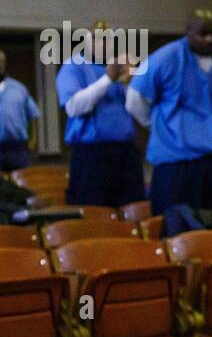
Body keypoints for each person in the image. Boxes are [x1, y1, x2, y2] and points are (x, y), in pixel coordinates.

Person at [126, 10, 212, 215]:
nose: (209, 39)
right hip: (175, 165)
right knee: (176, 228)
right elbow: (135, 100)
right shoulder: (164, 59)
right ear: (188, 32)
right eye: (202, 34)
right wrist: (159, 127)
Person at [56, 20, 146, 208]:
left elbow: (140, 112)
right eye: (97, 39)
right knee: (94, 212)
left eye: (108, 40)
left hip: (125, 152)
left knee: (133, 209)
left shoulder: (121, 70)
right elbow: (73, 107)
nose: (103, 44)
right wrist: (107, 79)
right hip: (91, 154)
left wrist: (131, 83)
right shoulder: (73, 67)